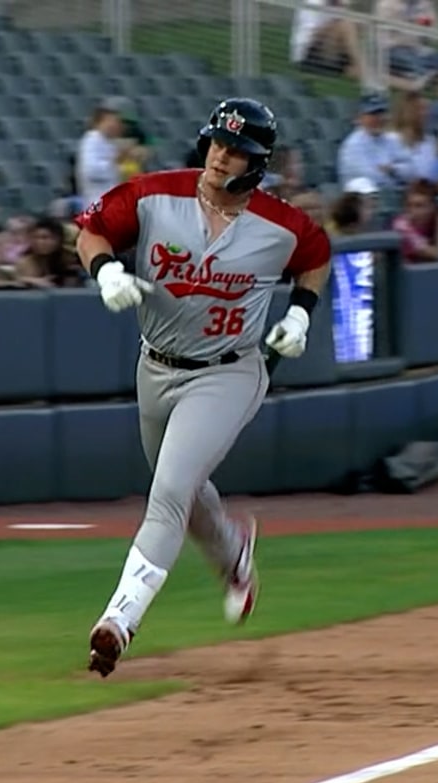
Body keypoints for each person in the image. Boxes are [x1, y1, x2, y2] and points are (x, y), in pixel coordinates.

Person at [73, 98, 331, 677]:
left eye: (236, 149)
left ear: (257, 163)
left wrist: (302, 313)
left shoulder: (279, 224)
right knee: (186, 495)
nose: (221, 154)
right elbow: (92, 231)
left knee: (169, 490)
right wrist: (106, 270)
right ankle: (234, 553)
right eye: (217, 142)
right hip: (155, 367)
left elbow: (316, 256)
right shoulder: (153, 194)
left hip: (229, 370)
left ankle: (119, 620)